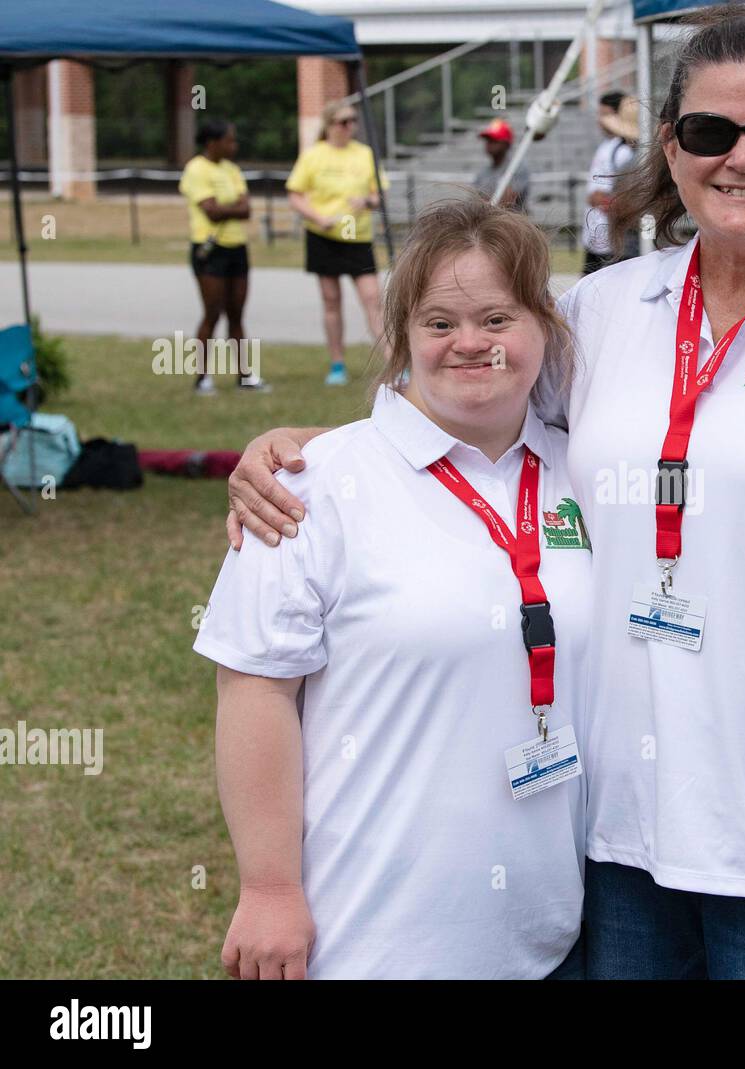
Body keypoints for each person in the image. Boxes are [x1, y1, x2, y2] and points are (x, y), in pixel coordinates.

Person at [224, 3, 745, 981]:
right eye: (708, 132)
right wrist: (308, 449)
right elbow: (468, 394)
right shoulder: (606, 310)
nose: (743, 158)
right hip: (613, 850)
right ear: (670, 147)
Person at [194, 198, 589, 979]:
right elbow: (255, 691)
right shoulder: (311, 486)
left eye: (498, 319)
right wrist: (269, 889)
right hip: (374, 940)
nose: (470, 343)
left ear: (544, 324)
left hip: (553, 937)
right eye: (440, 322)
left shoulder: (586, 469)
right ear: (403, 334)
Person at [286, 100, 389, 386]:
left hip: (357, 234)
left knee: (373, 298)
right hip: (324, 236)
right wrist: (317, 217)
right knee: (331, 300)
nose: (350, 127)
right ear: (330, 125)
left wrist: (367, 200)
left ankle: (394, 362)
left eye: (353, 121)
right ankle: (337, 364)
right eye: (344, 122)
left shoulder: (364, 154)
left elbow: (379, 193)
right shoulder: (314, 155)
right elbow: (295, 194)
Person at [179, 119, 268, 394]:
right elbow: (211, 211)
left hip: (236, 248)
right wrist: (232, 207)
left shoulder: (231, 169)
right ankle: (202, 377)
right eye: (229, 140)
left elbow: (245, 209)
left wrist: (226, 207)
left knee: (236, 314)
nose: (234, 145)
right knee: (212, 312)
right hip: (210, 250)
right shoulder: (196, 169)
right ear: (212, 143)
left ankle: (244, 375)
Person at [581, 93, 639, 275]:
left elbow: (620, 201)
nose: (600, 120)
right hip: (601, 234)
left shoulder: (624, 154)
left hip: (617, 239)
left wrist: (605, 201)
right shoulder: (611, 148)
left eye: (605, 114)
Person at [472, 118, 529, 211]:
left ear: (506, 144)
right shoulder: (482, 172)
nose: (489, 144)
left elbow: (507, 201)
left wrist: (483, 202)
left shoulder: (517, 167)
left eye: (494, 140)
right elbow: (473, 202)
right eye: (488, 140)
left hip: (512, 222)